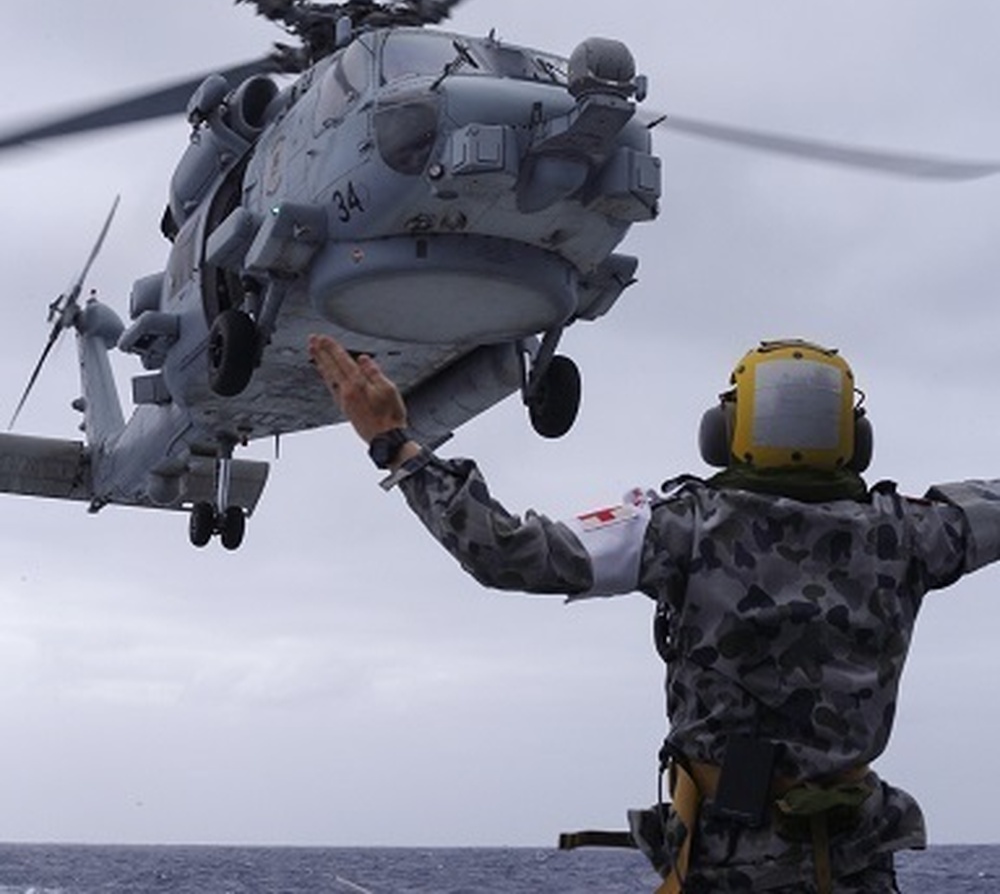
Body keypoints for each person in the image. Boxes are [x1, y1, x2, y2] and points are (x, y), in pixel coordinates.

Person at [307, 332, 1000, 894]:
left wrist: (395, 444)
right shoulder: (912, 533)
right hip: (852, 868)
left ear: (725, 432)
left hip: (722, 864)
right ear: (857, 438)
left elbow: (510, 553)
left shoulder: (680, 528)